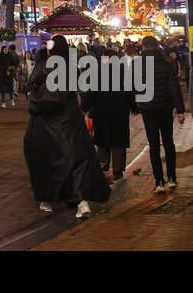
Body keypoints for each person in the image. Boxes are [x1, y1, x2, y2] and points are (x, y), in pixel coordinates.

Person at [22, 35, 110, 219]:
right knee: (76, 160)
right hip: (70, 120)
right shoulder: (71, 66)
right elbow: (81, 88)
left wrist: (39, 92)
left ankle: (47, 199)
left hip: (46, 123)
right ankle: (81, 202)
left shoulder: (43, 64)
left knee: (44, 159)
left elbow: (29, 85)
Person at [138, 36, 186, 193]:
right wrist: (179, 110)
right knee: (168, 142)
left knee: (153, 145)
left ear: (144, 47)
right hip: (165, 108)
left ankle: (159, 181)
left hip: (148, 109)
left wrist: (137, 105)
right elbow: (174, 88)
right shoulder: (166, 65)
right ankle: (172, 178)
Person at [82, 49, 135, 180]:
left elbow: (89, 94)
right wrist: (134, 107)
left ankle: (103, 164)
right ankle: (117, 169)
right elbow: (131, 92)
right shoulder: (124, 73)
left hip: (101, 112)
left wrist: (85, 108)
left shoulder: (96, 73)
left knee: (102, 139)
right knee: (119, 140)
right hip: (120, 112)